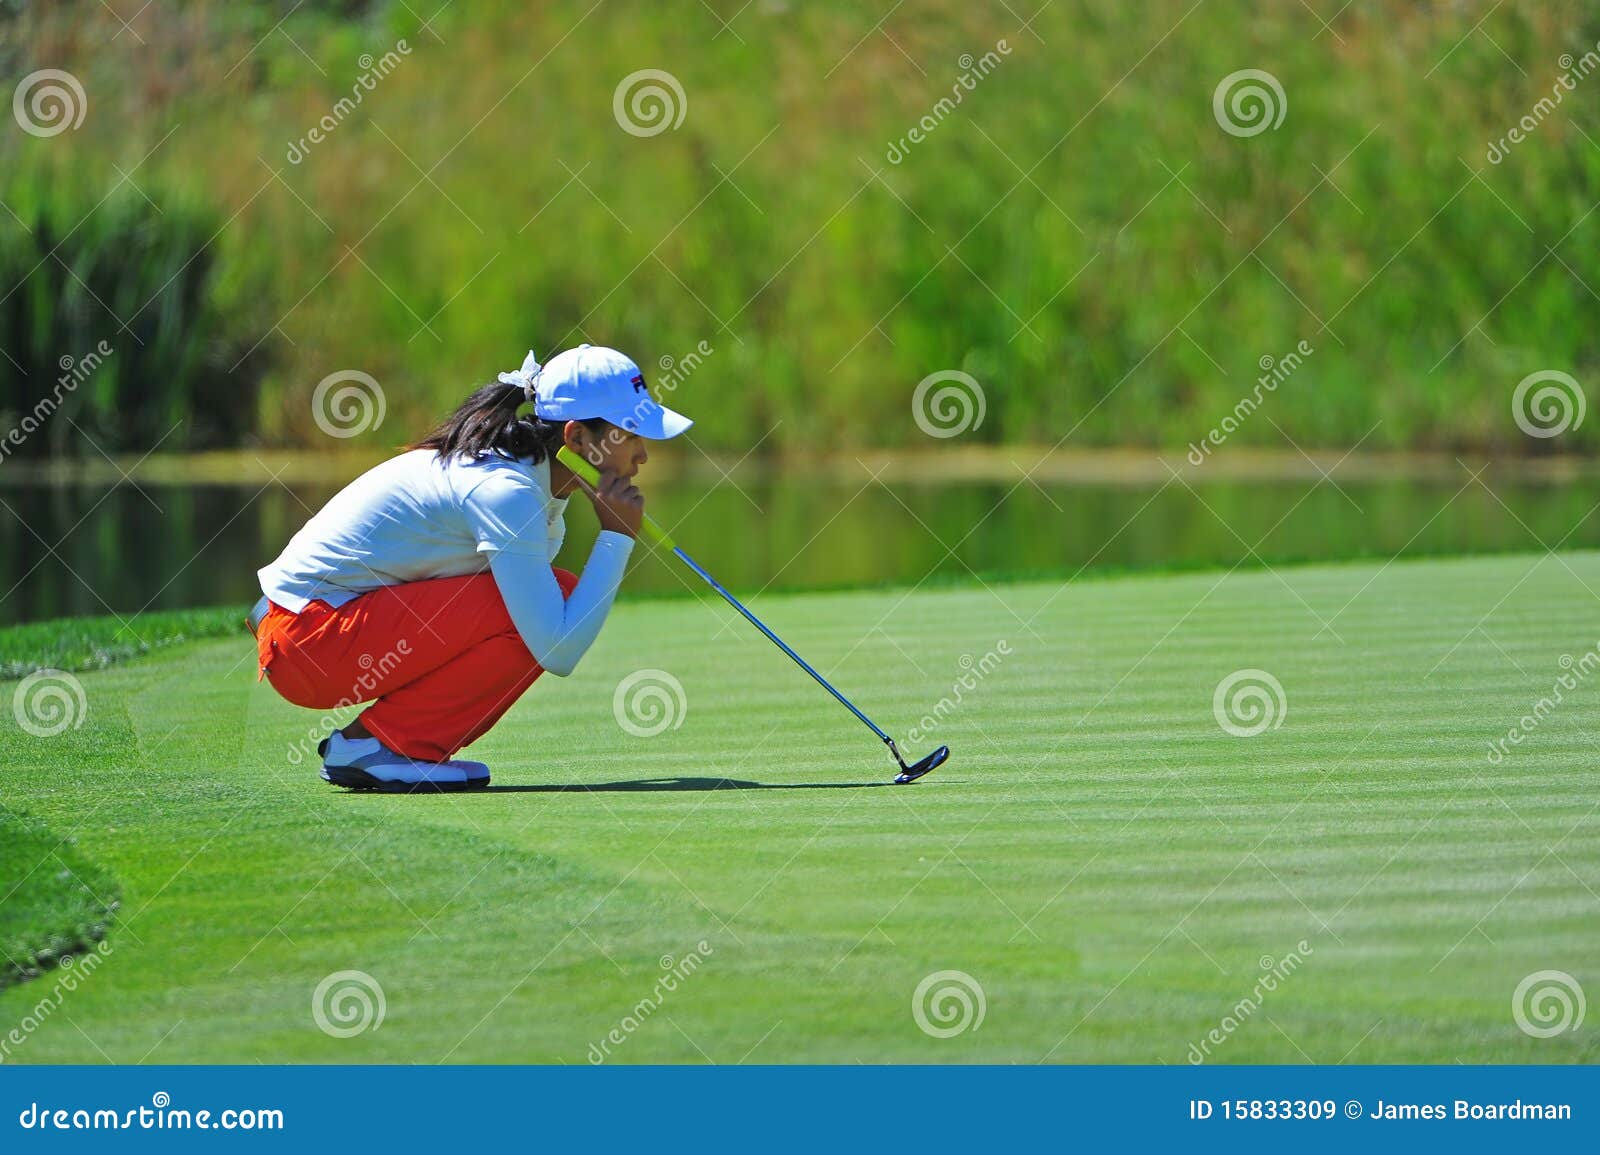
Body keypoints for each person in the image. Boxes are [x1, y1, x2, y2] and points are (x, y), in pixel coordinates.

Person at [250, 344, 692, 791]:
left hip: (314, 634)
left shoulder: (529, 480)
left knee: (541, 596)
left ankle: (381, 744)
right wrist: (615, 538)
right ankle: (382, 746)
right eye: (631, 434)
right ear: (576, 439)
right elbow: (557, 650)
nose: (643, 455)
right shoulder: (506, 490)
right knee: (548, 600)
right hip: (309, 640)